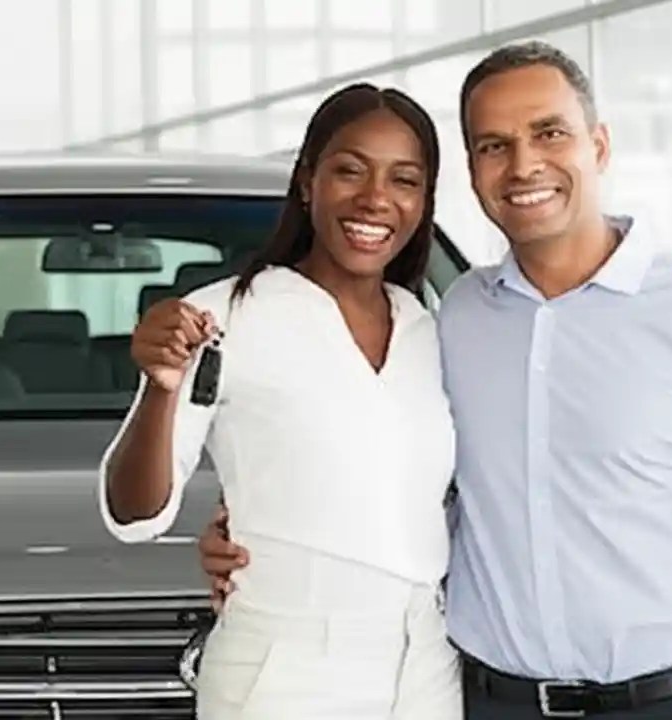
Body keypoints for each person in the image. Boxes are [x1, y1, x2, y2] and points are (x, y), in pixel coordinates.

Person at [198, 41, 672, 720]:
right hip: (490, 701)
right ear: (472, 172)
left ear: (599, 146)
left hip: (666, 704)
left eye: (548, 132)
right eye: (493, 145)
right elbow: (418, 483)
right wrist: (270, 531)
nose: (523, 164)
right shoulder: (457, 318)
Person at [99, 82, 462, 719]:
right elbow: (135, 513)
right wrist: (160, 391)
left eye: (404, 180)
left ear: (424, 201)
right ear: (305, 182)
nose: (376, 199)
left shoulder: (430, 330)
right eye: (350, 170)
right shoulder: (222, 317)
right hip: (288, 665)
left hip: (426, 662)